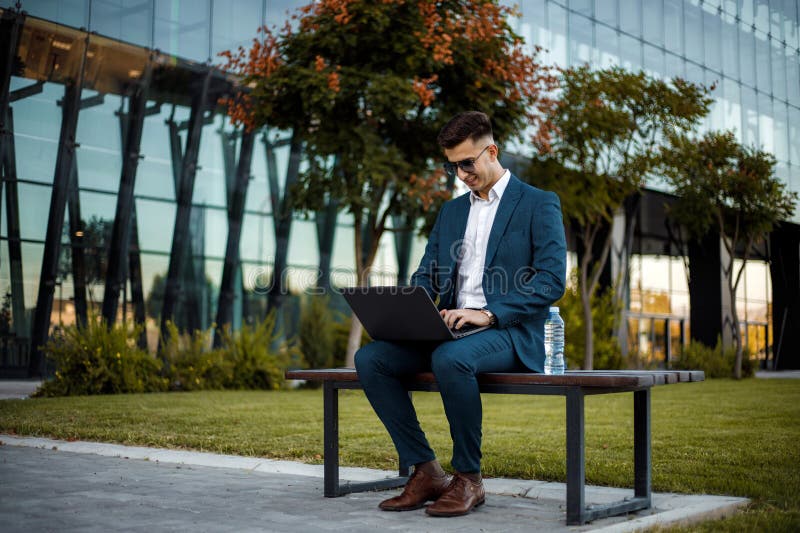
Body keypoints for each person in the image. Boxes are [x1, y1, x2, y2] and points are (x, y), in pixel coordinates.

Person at [354, 111, 567, 517]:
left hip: (508, 330)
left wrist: (487, 314)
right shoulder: (451, 212)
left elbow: (550, 281)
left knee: (450, 358)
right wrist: (410, 307)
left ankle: (469, 478)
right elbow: (428, 274)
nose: (461, 174)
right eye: (454, 166)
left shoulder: (539, 203)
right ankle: (426, 471)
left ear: (492, 151)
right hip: (448, 328)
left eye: (467, 163)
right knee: (372, 358)